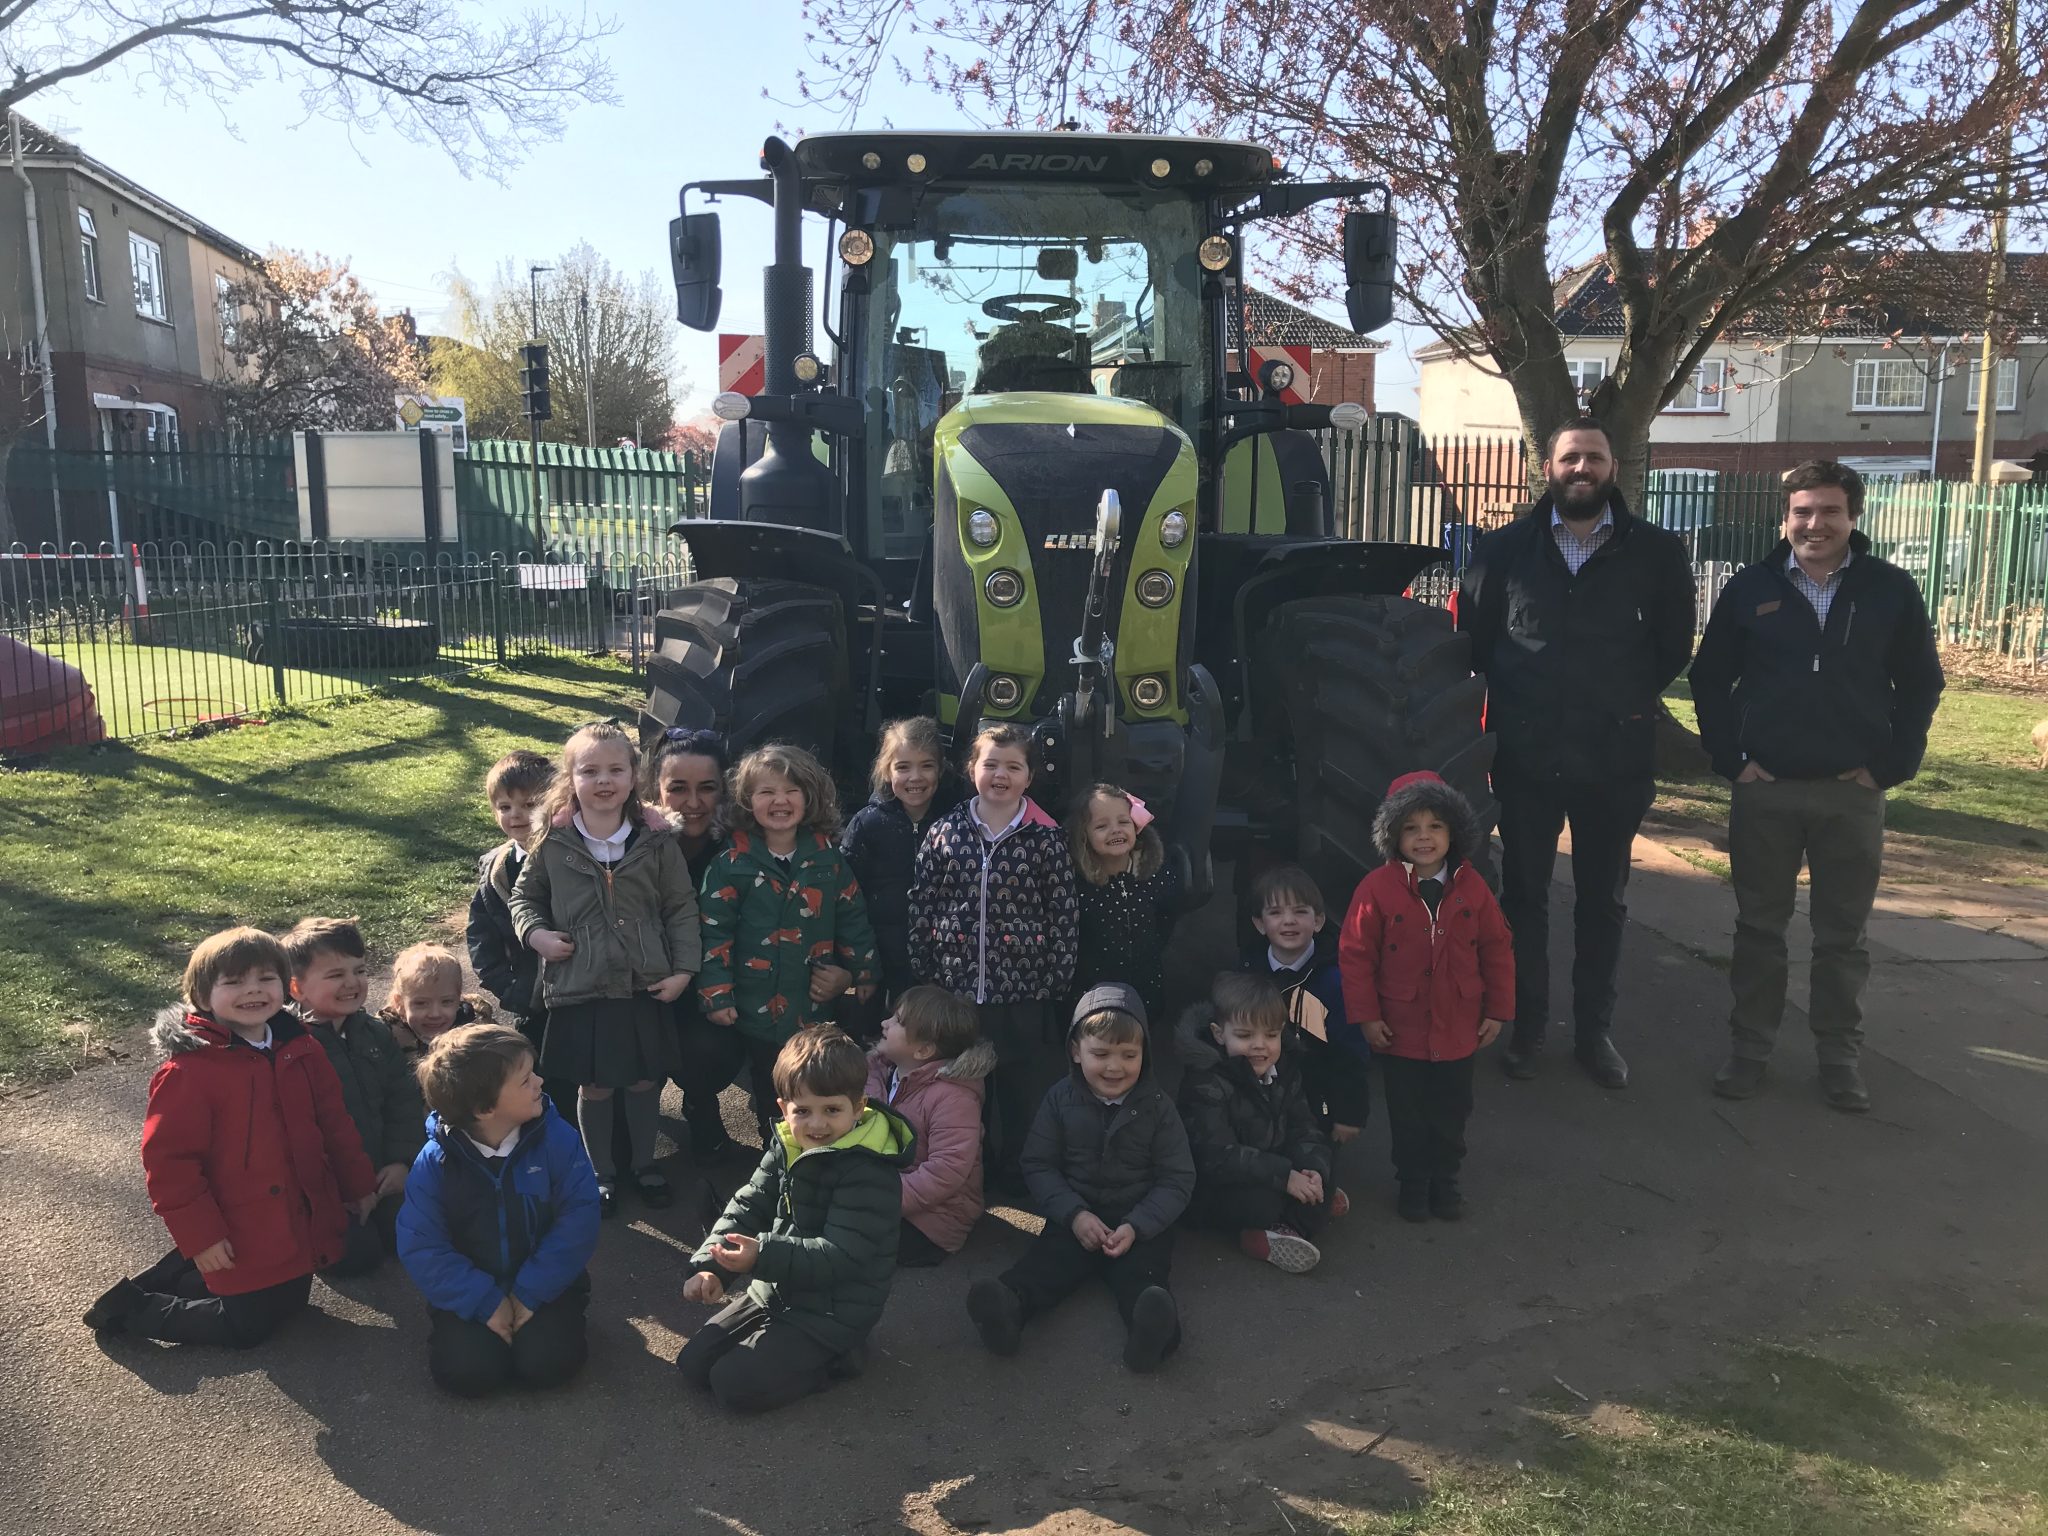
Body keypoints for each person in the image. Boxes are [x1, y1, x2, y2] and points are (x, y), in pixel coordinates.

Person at [1688, 460, 1944, 1113]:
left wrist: (1891, 766)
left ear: (1852, 517)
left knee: (1842, 939)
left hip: (1851, 794)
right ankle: (1749, 1051)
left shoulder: (1890, 589)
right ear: (1785, 517)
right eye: (1803, 511)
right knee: (1759, 931)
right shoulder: (1752, 588)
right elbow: (1709, 677)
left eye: (1829, 511)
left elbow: (1922, 683)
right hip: (1764, 789)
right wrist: (1730, 757)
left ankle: (1839, 1059)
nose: (1815, 523)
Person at [1457, 415, 1696, 1089]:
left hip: (1613, 761)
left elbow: (1673, 645)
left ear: (1612, 467)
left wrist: (1617, 700)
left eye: (1594, 457)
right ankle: (1527, 1029)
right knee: (1524, 898)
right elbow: (1475, 640)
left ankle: (1595, 1034)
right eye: (1570, 458)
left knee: (1603, 901)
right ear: (1549, 468)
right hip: (1527, 759)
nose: (1581, 469)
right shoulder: (1504, 550)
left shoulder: (1654, 552)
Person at [83, 928, 377, 1346]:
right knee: (247, 1328)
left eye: (265, 979)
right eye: (234, 981)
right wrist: (201, 1236)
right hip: (237, 1220)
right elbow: (170, 1163)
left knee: (290, 1304)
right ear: (203, 995)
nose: (252, 991)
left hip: (297, 1212)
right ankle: (131, 1308)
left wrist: (357, 1185)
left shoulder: (303, 1049)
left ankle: (183, 1274)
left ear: (285, 986)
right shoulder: (190, 1072)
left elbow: (335, 1124)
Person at [510, 720, 700, 1216]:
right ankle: (600, 1172)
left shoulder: (656, 841)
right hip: (582, 984)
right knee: (593, 1084)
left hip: (645, 982)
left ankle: (644, 1163)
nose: (603, 781)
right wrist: (536, 934)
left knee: (643, 1081)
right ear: (570, 778)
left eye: (616, 769)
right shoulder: (553, 841)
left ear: (634, 776)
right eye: (589, 770)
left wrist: (683, 970)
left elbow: (680, 907)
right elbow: (525, 897)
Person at [677, 1026, 915, 1414]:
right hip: (778, 1290)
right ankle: (787, 1348)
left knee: (733, 1386)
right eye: (802, 1111)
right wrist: (710, 1267)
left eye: (832, 1110)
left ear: (858, 1108)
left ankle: (841, 1358)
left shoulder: (868, 1171)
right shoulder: (788, 1142)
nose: (816, 1125)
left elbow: (842, 1256)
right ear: (783, 1108)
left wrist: (761, 1257)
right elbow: (750, 1203)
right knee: (693, 1364)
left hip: (834, 1311)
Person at [964, 984, 1193, 1374]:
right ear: (1075, 1051)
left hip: (1137, 1221)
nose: (1114, 1067)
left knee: (1145, 1278)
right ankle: (1008, 1306)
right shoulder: (1059, 1099)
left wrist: (1137, 1225)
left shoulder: (1159, 1107)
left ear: (1145, 1055)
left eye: (1129, 1055)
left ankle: (1155, 1334)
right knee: (1049, 1263)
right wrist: (1074, 1214)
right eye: (1100, 1054)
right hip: (1074, 1212)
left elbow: (1177, 1178)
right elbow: (1038, 1164)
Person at [1339, 772, 1515, 1222]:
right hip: (1401, 1030)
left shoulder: (1473, 888)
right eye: (1411, 828)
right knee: (1409, 1114)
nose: (1423, 838)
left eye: (1435, 826)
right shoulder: (1375, 889)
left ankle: (1446, 1180)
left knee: (1452, 1111)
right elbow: (1355, 955)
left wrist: (1497, 1009)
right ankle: (1413, 1183)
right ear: (1393, 835)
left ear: (1453, 832)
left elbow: (1497, 948)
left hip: (1459, 1027)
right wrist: (1366, 1016)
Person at [912, 722, 1079, 1190]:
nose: (1000, 774)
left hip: (1021, 990)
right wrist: (925, 968)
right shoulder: (946, 832)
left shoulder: (1045, 838)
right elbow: (923, 902)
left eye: (1013, 766)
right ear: (971, 770)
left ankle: (1018, 1172)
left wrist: (1054, 978)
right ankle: (970, 1171)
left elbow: (1062, 910)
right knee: (964, 1091)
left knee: (1020, 1090)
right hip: (957, 989)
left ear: (1028, 777)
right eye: (991, 764)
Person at [692, 744, 881, 1146]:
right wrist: (716, 993)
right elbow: (715, 932)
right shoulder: (731, 862)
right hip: (753, 1005)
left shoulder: (828, 860)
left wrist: (863, 971)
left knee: (810, 1081)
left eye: (791, 790)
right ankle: (773, 1153)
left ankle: (810, 1150)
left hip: (811, 1005)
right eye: (766, 792)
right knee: (769, 1085)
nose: (780, 801)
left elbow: (853, 918)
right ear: (747, 800)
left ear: (809, 797)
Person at [397, 1023, 600, 1396]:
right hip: (470, 1289)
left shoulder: (556, 1138)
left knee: (547, 1365)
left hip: (547, 1283)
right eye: (525, 1080)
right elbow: (422, 1243)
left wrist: (529, 1292)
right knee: (467, 1374)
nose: (539, 1081)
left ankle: (548, 1322)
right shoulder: (436, 1162)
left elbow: (580, 1217)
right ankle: (484, 1327)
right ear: (485, 1108)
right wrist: (485, 1302)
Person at [282, 916, 425, 1274]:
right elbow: (301, 1135)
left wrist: (401, 1162)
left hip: (383, 1172)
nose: (352, 983)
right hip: (333, 1189)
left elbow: (403, 1100)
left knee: (413, 1236)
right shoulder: (291, 1048)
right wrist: (340, 1190)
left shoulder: (375, 1033)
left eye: (359, 971)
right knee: (356, 1259)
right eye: (335, 976)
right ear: (296, 988)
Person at [1175, 971, 1341, 1272]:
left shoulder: (1285, 1069)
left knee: (1326, 1161)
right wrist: (1285, 1176)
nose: (1260, 1045)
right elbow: (1216, 1156)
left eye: (1271, 1035)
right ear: (1218, 1033)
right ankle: (1279, 1227)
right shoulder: (1204, 1082)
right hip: (1215, 1187)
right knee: (1265, 1203)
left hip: (1269, 1166)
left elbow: (1304, 1126)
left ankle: (1300, 1209)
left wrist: (1312, 1169)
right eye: (1245, 1035)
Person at [643, 727, 742, 1161]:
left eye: (708, 789)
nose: (694, 803)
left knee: (710, 1049)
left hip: (709, 982)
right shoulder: (635, 847)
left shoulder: (736, 852)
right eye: (678, 789)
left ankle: (700, 1100)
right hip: (644, 980)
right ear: (656, 790)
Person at [841, 716, 966, 1025]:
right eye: (903, 767)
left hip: (940, 962)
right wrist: (860, 965)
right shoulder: (867, 824)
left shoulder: (957, 821)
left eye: (927, 766)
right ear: (886, 770)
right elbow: (846, 898)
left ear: (941, 768)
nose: (916, 777)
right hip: (881, 959)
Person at [863, 985, 994, 1266]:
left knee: (849, 1239)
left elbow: (945, 1172)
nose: (885, 1023)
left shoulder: (954, 1097)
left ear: (923, 1050)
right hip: (884, 1191)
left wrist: (880, 1198)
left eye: (898, 1021)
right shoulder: (879, 1072)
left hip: (934, 1221)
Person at [1240, 865, 1372, 1145]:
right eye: (1275, 913)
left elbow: (1351, 1053)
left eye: (1300, 911)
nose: (1289, 921)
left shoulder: (1336, 983)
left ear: (1319, 921)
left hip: (1317, 1104)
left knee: (1315, 1178)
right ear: (1259, 924)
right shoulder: (1246, 975)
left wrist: (1349, 1114)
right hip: (1259, 1102)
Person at [469, 749, 554, 1090]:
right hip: (529, 995)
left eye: (529, 805)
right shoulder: (496, 870)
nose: (516, 815)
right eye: (505, 807)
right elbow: (481, 933)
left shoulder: (570, 856)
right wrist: (505, 986)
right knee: (536, 1075)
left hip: (581, 990)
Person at [1067, 782, 1182, 1024]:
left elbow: (1166, 919)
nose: (1116, 830)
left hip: (1145, 993)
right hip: (1089, 999)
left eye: (1123, 822)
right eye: (1101, 825)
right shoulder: (1075, 884)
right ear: (1083, 835)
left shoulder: (1158, 875)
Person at [379, 942, 494, 1057]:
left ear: (458, 1000)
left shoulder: (474, 1028)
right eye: (421, 1003)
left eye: (446, 1001)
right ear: (400, 1003)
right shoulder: (383, 1039)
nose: (435, 1014)